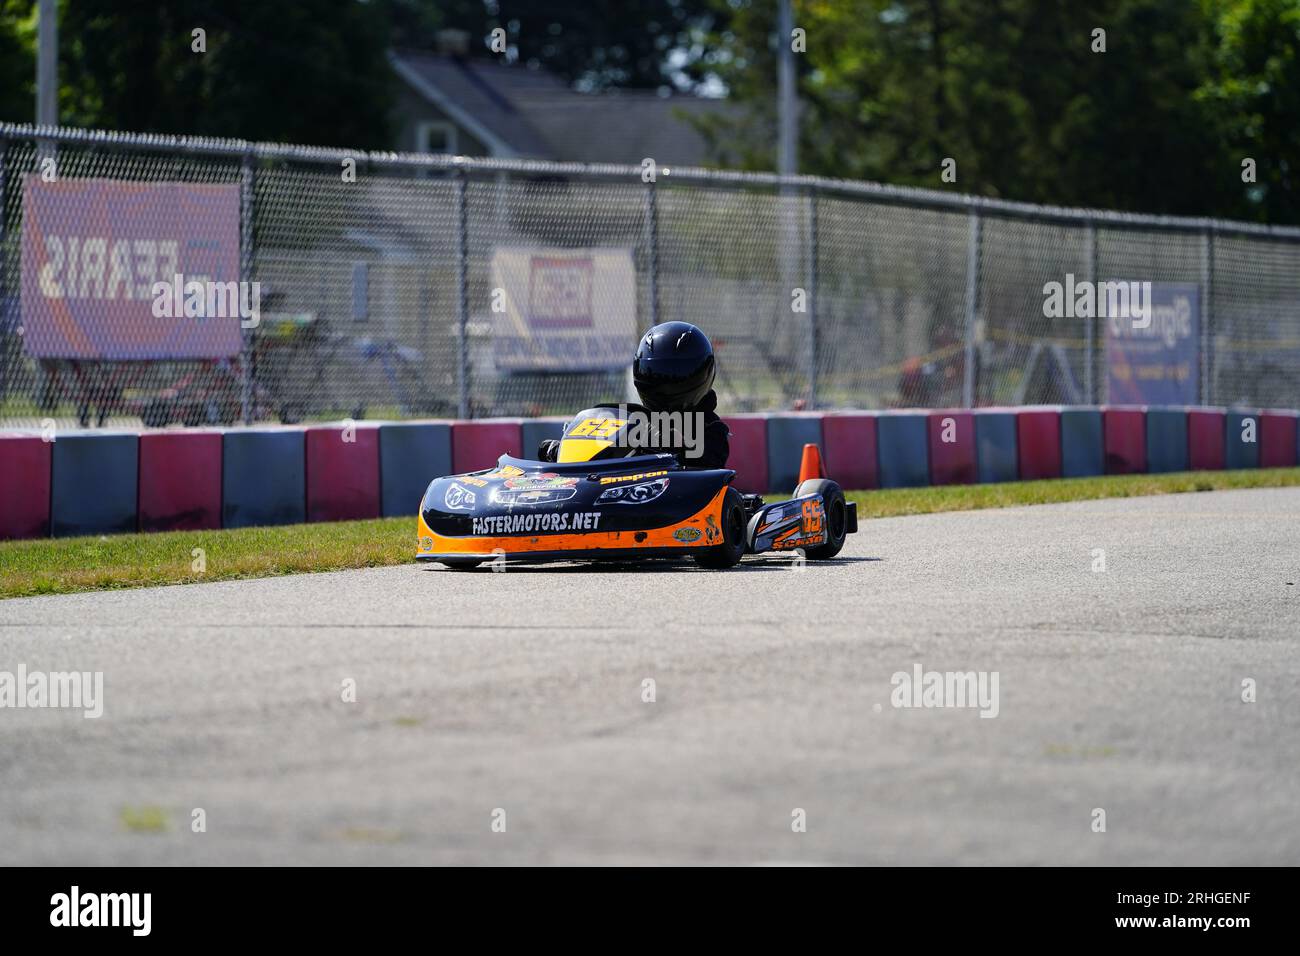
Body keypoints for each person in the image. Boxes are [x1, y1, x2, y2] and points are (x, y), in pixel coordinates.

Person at [538, 321, 730, 468]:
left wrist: (672, 445)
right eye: (655, 370)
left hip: (670, 503)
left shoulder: (710, 429)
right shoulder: (633, 419)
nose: (662, 380)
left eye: (672, 371)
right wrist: (566, 449)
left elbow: (709, 463)